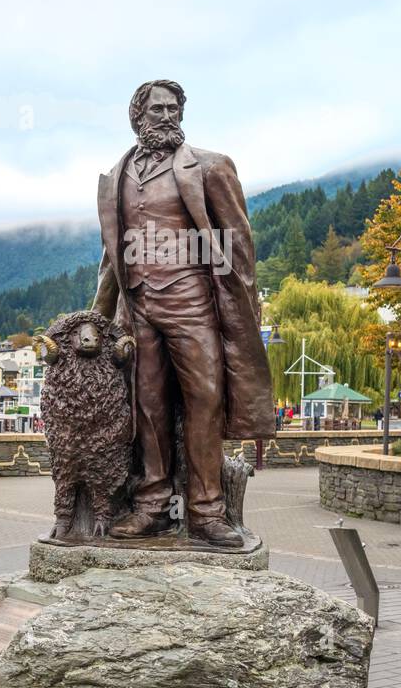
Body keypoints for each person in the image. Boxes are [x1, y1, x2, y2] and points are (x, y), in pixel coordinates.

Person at [92, 79, 274, 547]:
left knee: (205, 401)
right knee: (148, 406)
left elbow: (239, 244)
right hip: (138, 308)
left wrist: (245, 307)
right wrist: (97, 317)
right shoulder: (114, 177)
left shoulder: (211, 167)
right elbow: (112, 255)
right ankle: (151, 506)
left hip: (193, 303)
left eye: (174, 109)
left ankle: (206, 512)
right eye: (158, 110)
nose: (168, 116)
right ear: (138, 117)